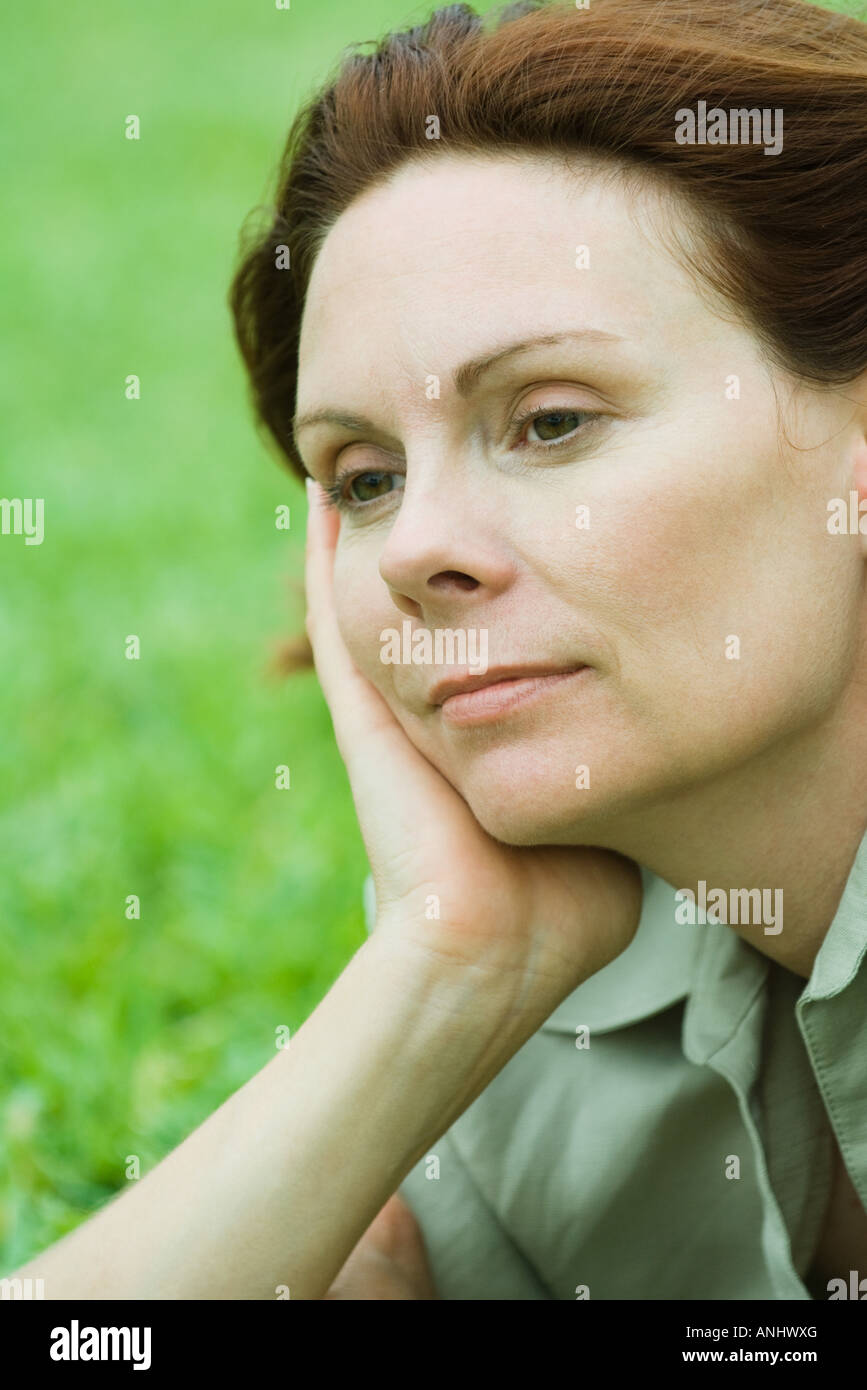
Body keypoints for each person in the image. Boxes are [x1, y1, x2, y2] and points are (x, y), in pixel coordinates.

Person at [8, 0, 867, 1300]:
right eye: (362, 479)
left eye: (553, 419)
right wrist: (457, 961)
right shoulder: (552, 1012)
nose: (413, 548)